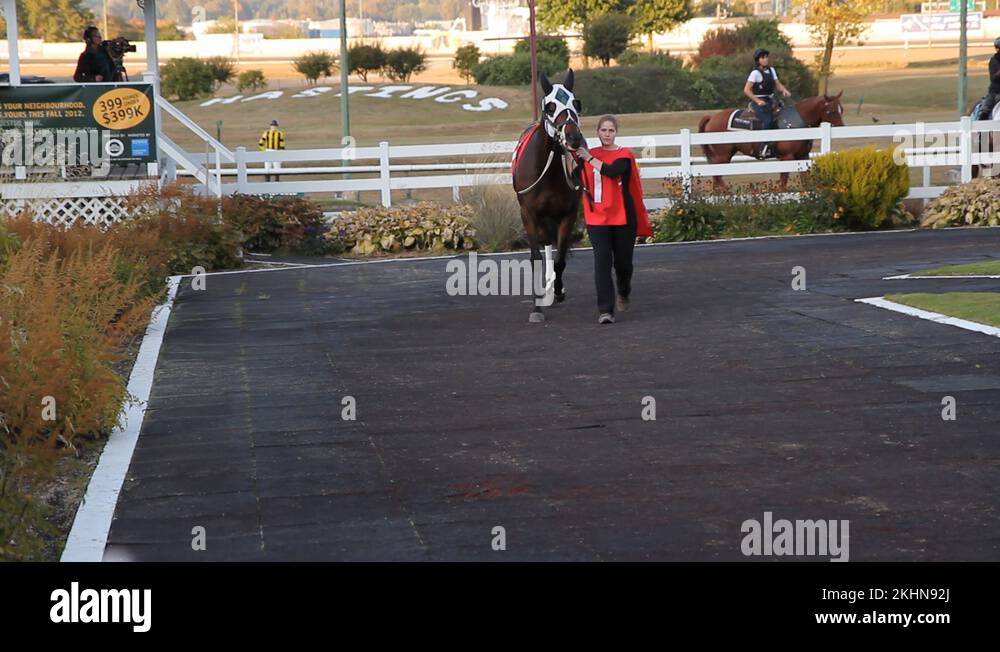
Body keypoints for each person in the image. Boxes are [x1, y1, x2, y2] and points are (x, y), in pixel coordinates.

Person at [572, 115, 653, 325]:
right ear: (597, 132)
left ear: (616, 133)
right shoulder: (588, 154)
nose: (607, 134)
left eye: (611, 131)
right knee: (602, 262)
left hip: (623, 217)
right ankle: (605, 310)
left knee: (623, 264)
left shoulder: (624, 154)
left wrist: (588, 158)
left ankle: (624, 291)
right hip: (597, 217)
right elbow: (572, 175)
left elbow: (612, 171)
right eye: (603, 130)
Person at [744, 48, 791, 159]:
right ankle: (763, 147)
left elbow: (777, 84)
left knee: (784, 115)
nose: (765, 60)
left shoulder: (771, 70)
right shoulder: (755, 73)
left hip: (770, 100)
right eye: (762, 58)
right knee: (768, 120)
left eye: (766, 57)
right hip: (759, 101)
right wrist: (757, 101)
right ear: (758, 60)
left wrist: (784, 90)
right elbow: (746, 90)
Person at [976, 37, 1000, 120]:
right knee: (985, 110)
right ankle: (980, 128)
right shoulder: (994, 61)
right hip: (996, 92)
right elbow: (993, 78)